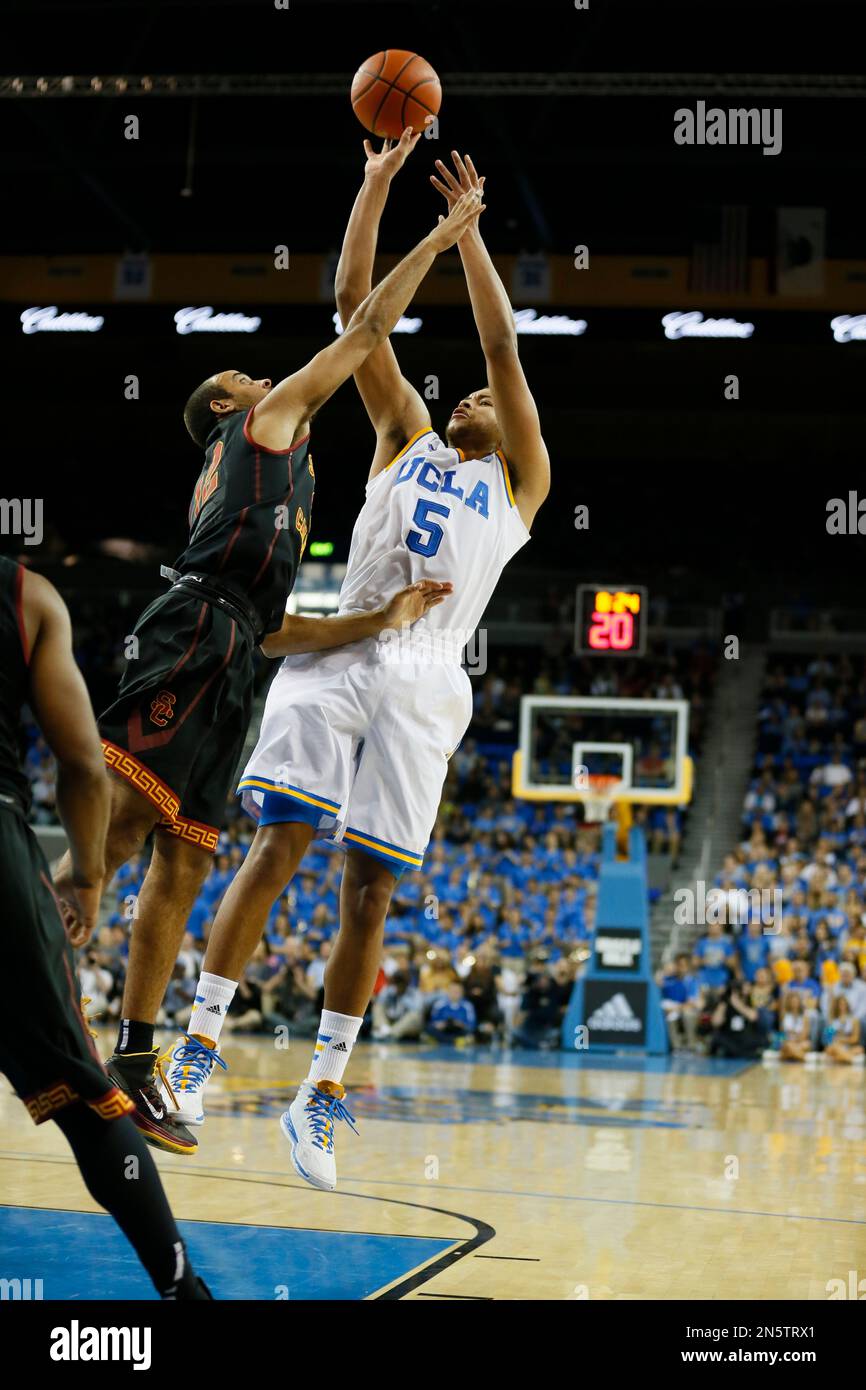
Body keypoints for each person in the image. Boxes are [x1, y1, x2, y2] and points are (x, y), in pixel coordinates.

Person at [52, 181, 482, 1153]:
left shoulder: (281, 472)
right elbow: (365, 320)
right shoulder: (264, 425)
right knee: (121, 836)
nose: (258, 373)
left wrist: (377, 617)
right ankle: (25, 976)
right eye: (242, 373)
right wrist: (427, 222)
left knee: (186, 856)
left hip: (239, 647)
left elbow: (282, 629)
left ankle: (133, 1059)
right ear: (226, 407)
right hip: (195, 634)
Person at [162, 136, 549, 1193]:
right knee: (278, 844)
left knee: (369, 894)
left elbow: (505, 354)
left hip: (429, 674)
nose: (470, 395)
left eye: (481, 399)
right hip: (343, 646)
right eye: (461, 392)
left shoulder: (518, 491)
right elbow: (350, 303)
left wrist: (472, 245)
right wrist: (390, 191)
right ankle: (196, 1043)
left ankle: (321, 1094)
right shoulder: (403, 431)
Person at [0, 557, 209, 1298]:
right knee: (88, 1106)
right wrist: (86, 877)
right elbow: (85, 767)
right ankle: (183, 1289)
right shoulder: (27, 594)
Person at [823, 994, 864, 1064]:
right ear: (836, 1006)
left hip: (848, 1047)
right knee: (832, 1048)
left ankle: (839, 1059)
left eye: (844, 1004)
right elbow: (827, 1040)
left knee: (860, 1049)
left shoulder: (854, 1020)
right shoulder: (831, 1021)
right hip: (835, 1046)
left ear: (847, 1005)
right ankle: (852, 1060)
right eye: (840, 1004)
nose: (842, 1006)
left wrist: (842, 1040)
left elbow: (855, 1039)